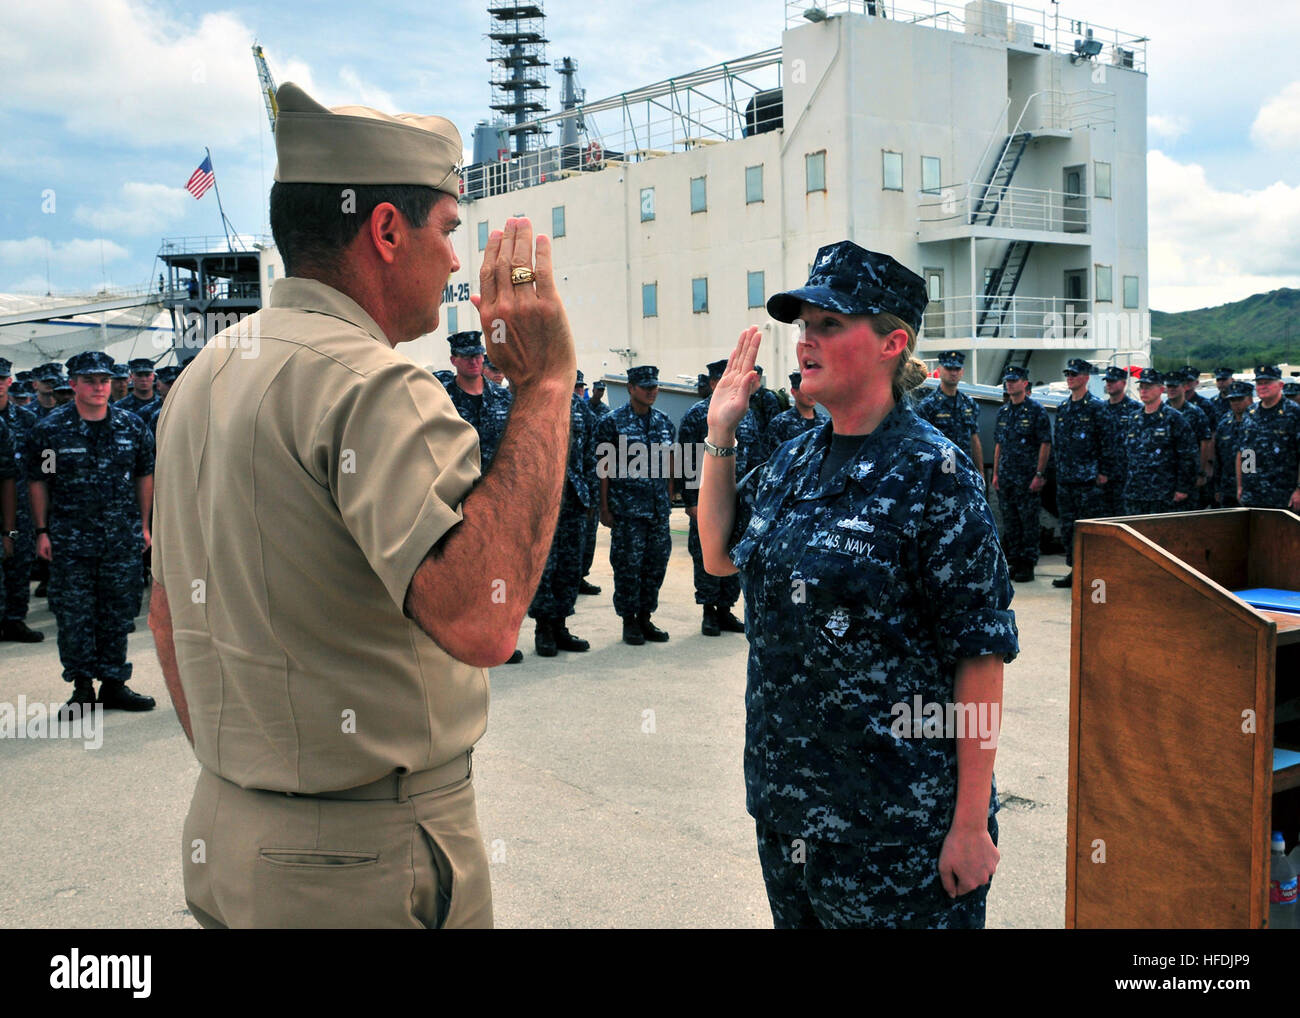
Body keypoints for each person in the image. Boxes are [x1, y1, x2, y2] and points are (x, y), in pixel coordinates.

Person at [148, 82, 576, 928]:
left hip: (232, 828)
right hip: (357, 865)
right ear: (385, 230)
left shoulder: (204, 375)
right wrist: (547, 386)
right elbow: (483, 622)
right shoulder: (373, 386)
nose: (458, 260)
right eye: (449, 230)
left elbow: (166, 605)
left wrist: (258, 778)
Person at [696, 241, 1017, 929]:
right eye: (804, 324)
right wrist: (721, 433)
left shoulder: (937, 475)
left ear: (891, 343)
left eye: (830, 325)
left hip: (898, 832)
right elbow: (720, 555)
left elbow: (979, 656)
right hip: (791, 816)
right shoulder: (793, 460)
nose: (805, 340)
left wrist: (968, 823)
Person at [27, 350, 156, 710]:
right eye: (90, 380)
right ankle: (82, 687)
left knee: (117, 612)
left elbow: (144, 475)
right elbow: (41, 481)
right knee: (74, 615)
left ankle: (114, 683)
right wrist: (42, 530)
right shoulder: (51, 430)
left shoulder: (131, 426)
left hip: (120, 537)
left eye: (104, 380)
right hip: (70, 540)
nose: (99, 387)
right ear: (73, 384)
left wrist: (144, 526)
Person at [596, 364, 675, 645]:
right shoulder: (612, 423)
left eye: (655, 386)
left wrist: (670, 494)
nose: (652, 391)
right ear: (631, 389)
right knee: (628, 566)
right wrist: (603, 507)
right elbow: (603, 467)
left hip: (657, 510)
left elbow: (669, 463)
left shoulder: (664, 422)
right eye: (646, 387)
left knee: (655, 565)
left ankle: (645, 617)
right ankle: (629, 621)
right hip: (627, 510)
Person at [678, 358, 757, 636]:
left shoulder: (748, 413)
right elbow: (686, 459)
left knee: (737, 552)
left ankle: (726, 609)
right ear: (713, 382)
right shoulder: (698, 414)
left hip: (741, 499)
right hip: (706, 499)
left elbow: (756, 457)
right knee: (706, 555)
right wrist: (690, 501)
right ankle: (709, 611)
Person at [528, 371, 595, 656]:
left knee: (569, 566)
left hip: (573, 498)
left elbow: (592, 453)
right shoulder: (530, 402)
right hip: (540, 499)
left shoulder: (580, 408)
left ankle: (561, 625)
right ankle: (543, 628)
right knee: (544, 566)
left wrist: (590, 494)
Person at [1050, 359, 1113, 589]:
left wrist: (1103, 472)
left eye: (1074, 374)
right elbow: (1059, 444)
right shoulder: (1064, 408)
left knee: (1089, 528)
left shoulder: (1097, 407)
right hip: (1066, 480)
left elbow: (1108, 442)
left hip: (1088, 480)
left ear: (1086, 377)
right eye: (1068, 373)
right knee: (1068, 528)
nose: (1070, 377)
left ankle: (1093, 572)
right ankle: (1075, 570)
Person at [992, 365, 1051, 583]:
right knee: (1011, 522)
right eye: (1007, 380)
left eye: (1014, 380)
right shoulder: (1004, 412)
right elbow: (999, 444)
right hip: (1007, 477)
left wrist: (1039, 474)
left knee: (1028, 522)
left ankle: (1027, 563)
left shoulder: (1036, 411)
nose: (1009, 383)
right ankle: (1014, 561)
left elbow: (1045, 444)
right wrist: (996, 473)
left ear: (1024, 383)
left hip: (1027, 478)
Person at [0, 357, 42, 642]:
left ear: (9, 382)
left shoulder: (28, 419)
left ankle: (15, 620)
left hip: (22, 506)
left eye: (1, 379)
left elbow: (42, 463)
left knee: (19, 565)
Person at [1120, 369, 1197, 515]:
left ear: (1161, 389)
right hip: (1135, 492)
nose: (1143, 391)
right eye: (1141, 387)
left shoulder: (1174, 418)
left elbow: (1188, 456)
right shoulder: (1133, 419)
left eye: (1148, 387)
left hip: (1163, 493)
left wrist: (1183, 488)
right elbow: (1126, 455)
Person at [1237, 364, 1300, 511]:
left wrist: (1299, 489)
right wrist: (1242, 485)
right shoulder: (1250, 413)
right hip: (1254, 494)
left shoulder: (1294, 413)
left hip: (1284, 495)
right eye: (1259, 383)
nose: (1263, 387)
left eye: (1268, 383)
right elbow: (1245, 452)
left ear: (1280, 385)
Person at [915, 351, 982, 471]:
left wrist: (980, 471)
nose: (953, 373)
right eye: (949, 368)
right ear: (939, 370)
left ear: (962, 372)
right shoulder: (928, 405)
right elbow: (921, 442)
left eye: (957, 369)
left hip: (964, 469)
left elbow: (974, 439)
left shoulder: (969, 404)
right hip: (939, 470)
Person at [578, 379, 610, 596]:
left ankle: (580, 577)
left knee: (588, 537)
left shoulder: (595, 414)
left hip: (589, 487)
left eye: (581, 387)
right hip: (566, 492)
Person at [1165, 368, 1212, 508]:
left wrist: (1202, 472)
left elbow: (1205, 442)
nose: (1172, 389)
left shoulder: (1196, 412)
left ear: (1184, 387)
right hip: (1166, 474)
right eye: (1169, 386)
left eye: (1175, 386)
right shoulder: (1162, 411)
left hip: (1189, 473)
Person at [1098, 365, 1139, 517]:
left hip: (1126, 476)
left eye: (1113, 381)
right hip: (1103, 476)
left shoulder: (1135, 409)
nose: (1109, 384)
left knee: (1126, 517)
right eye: (1107, 381)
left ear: (1123, 383)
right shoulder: (1100, 409)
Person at [763, 370, 830, 453]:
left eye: (813, 389)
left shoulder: (826, 422)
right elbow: (770, 457)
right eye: (805, 390)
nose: (811, 395)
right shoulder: (780, 423)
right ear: (793, 392)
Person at [1212, 380, 1254, 508]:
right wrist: (1217, 487)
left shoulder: (1257, 421)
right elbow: (1217, 458)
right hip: (1228, 487)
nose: (1236, 403)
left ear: (1250, 398)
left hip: (1254, 487)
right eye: (1232, 400)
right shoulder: (1224, 424)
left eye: (1240, 399)